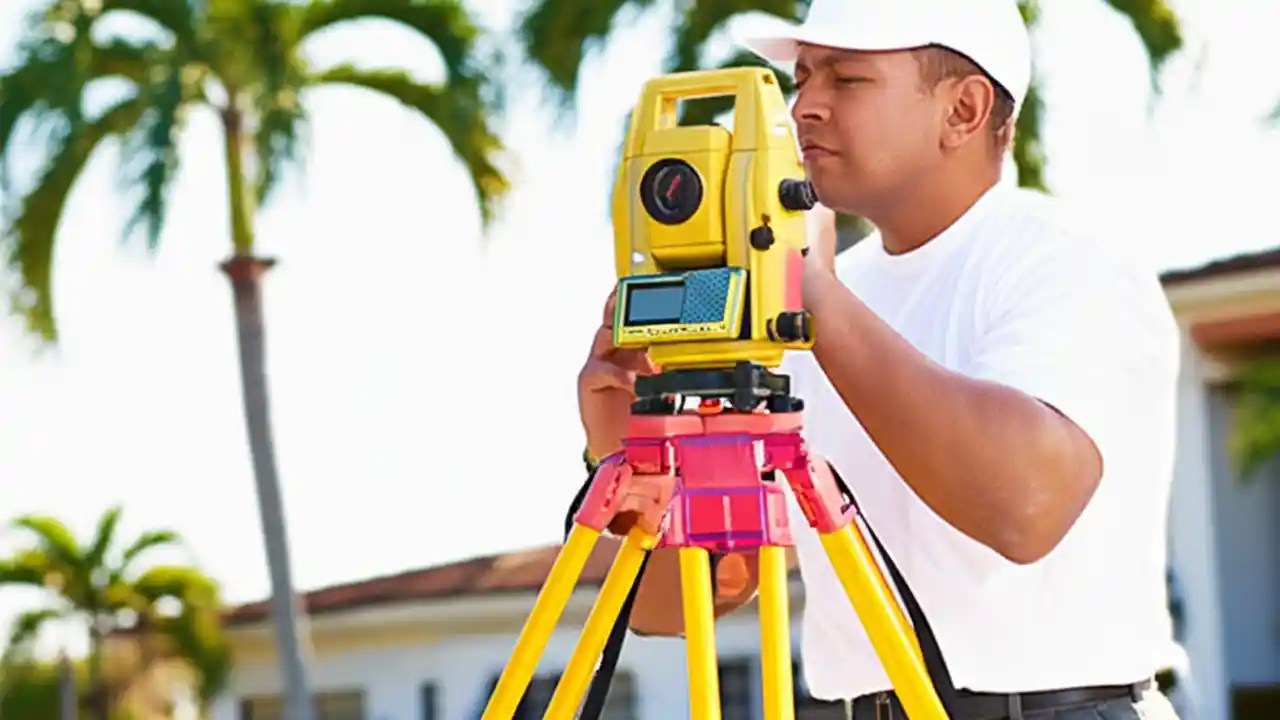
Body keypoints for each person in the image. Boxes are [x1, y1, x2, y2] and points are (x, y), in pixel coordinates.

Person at [575, 0, 1183, 717]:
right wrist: (619, 444)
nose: (806, 106)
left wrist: (814, 300)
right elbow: (674, 606)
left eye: (848, 79)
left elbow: (1026, 506)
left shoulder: (1060, 260)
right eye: (802, 78)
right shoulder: (808, 297)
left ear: (963, 109)